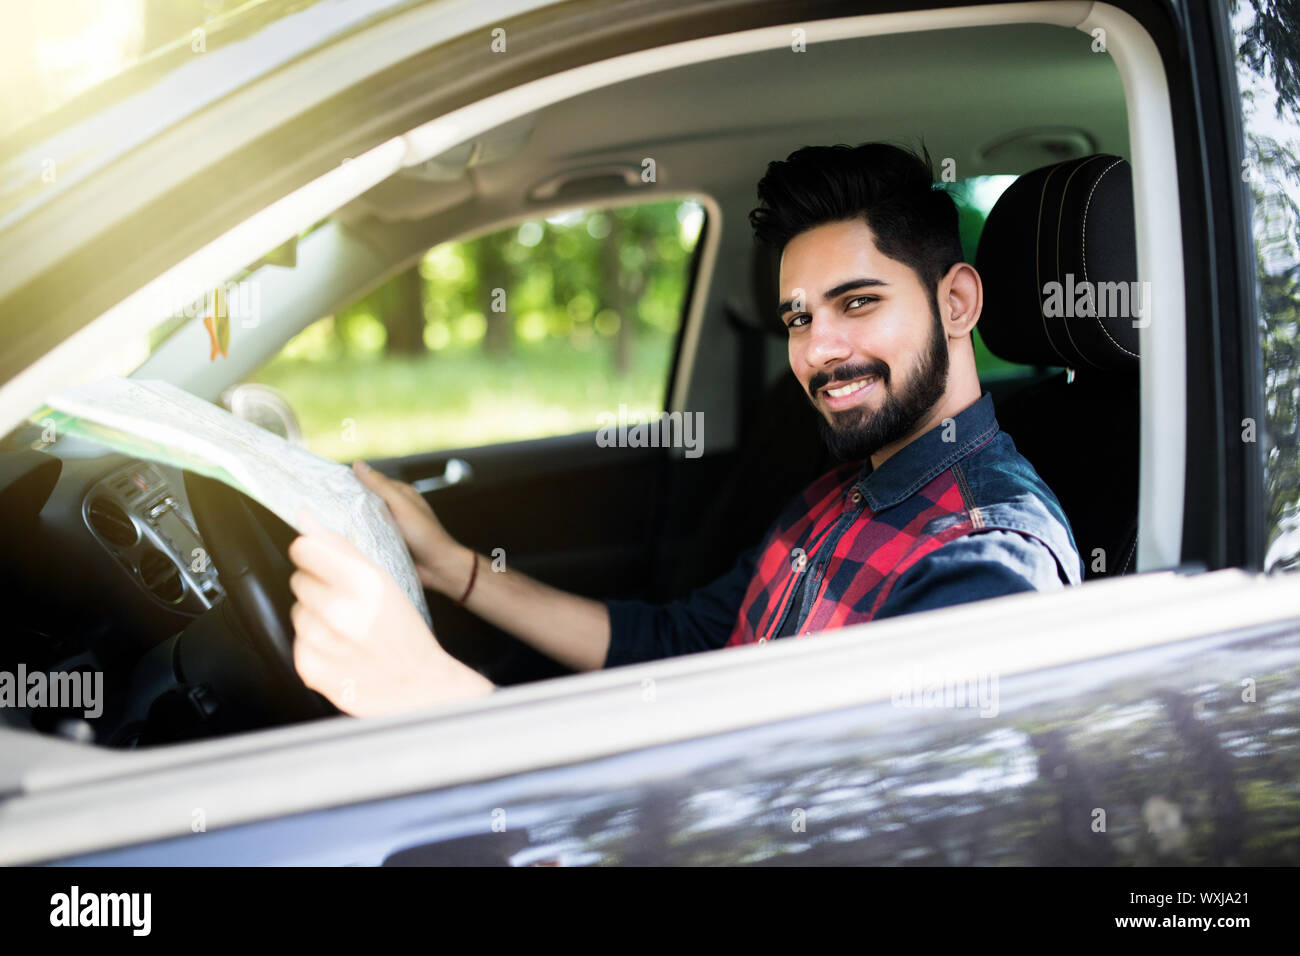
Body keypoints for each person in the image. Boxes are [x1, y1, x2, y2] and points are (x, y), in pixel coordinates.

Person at [286, 142, 1082, 717]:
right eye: (799, 317)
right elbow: (676, 641)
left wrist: (433, 695)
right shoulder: (843, 494)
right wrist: (452, 566)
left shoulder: (984, 562)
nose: (819, 351)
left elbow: (822, 831)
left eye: (859, 302)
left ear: (957, 304)